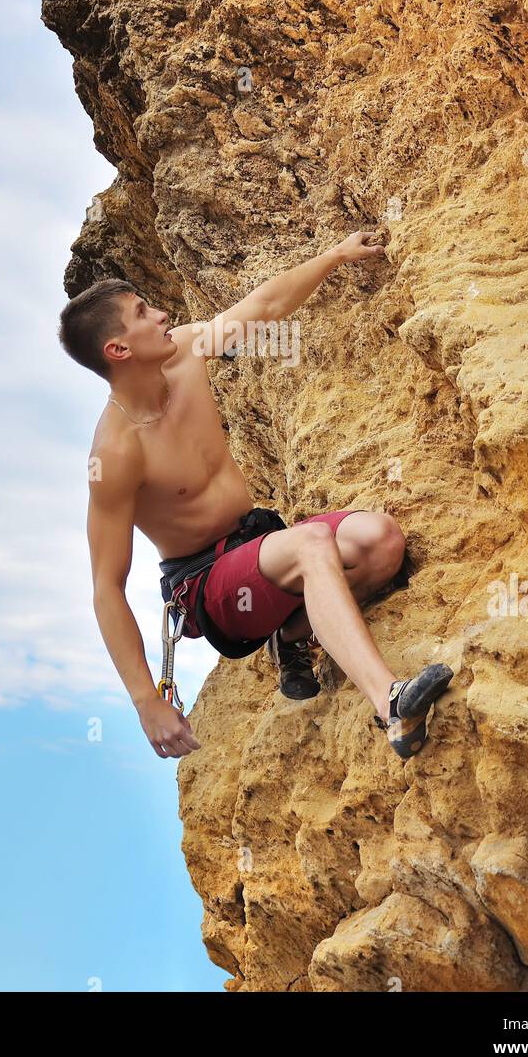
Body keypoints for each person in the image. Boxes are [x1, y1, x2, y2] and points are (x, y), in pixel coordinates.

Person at [58, 230, 452, 761]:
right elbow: (107, 587)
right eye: (142, 312)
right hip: (206, 586)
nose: (160, 315)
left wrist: (333, 256)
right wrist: (145, 700)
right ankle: (392, 705)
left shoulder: (187, 352)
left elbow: (263, 305)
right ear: (119, 349)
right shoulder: (116, 453)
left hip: (258, 546)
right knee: (313, 543)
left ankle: (291, 635)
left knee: (381, 540)